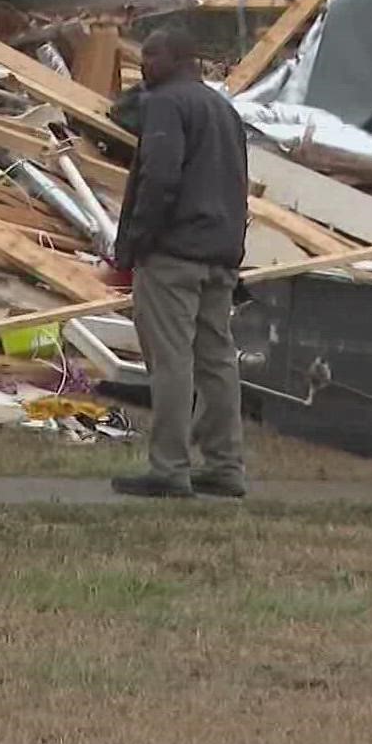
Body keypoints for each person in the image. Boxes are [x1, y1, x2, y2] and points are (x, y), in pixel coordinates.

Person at [108, 27, 249, 499]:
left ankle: (169, 468)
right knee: (217, 362)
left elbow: (160, 177)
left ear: (179, 59)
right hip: (219, 253)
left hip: (173, 253)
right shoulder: (224, 110)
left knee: (170, 361)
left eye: (152, 55)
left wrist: (136, 244)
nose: (143, 63)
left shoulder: (167, 104)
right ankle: (225, 465)